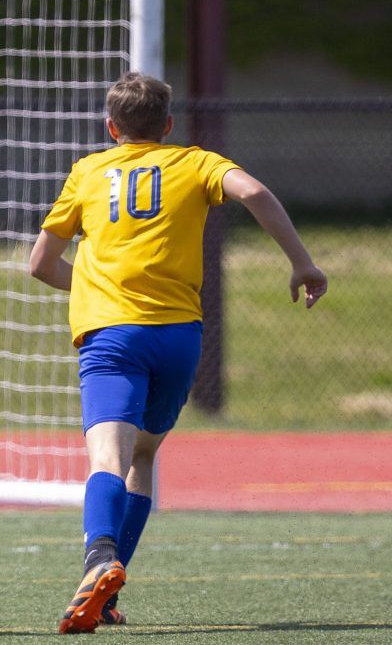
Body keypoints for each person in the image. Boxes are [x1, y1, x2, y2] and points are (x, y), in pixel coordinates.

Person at [29, 73, 328, 634]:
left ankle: (99, 558)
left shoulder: (89, 171)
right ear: (168, 124)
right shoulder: (196, 163)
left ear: (111, 128)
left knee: (107, 459)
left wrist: (99, 287)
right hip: (178, 337)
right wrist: (303, 263)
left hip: (112, 335)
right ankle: (106, 597)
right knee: (142, 457)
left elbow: (40, 264)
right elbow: (255, 192)